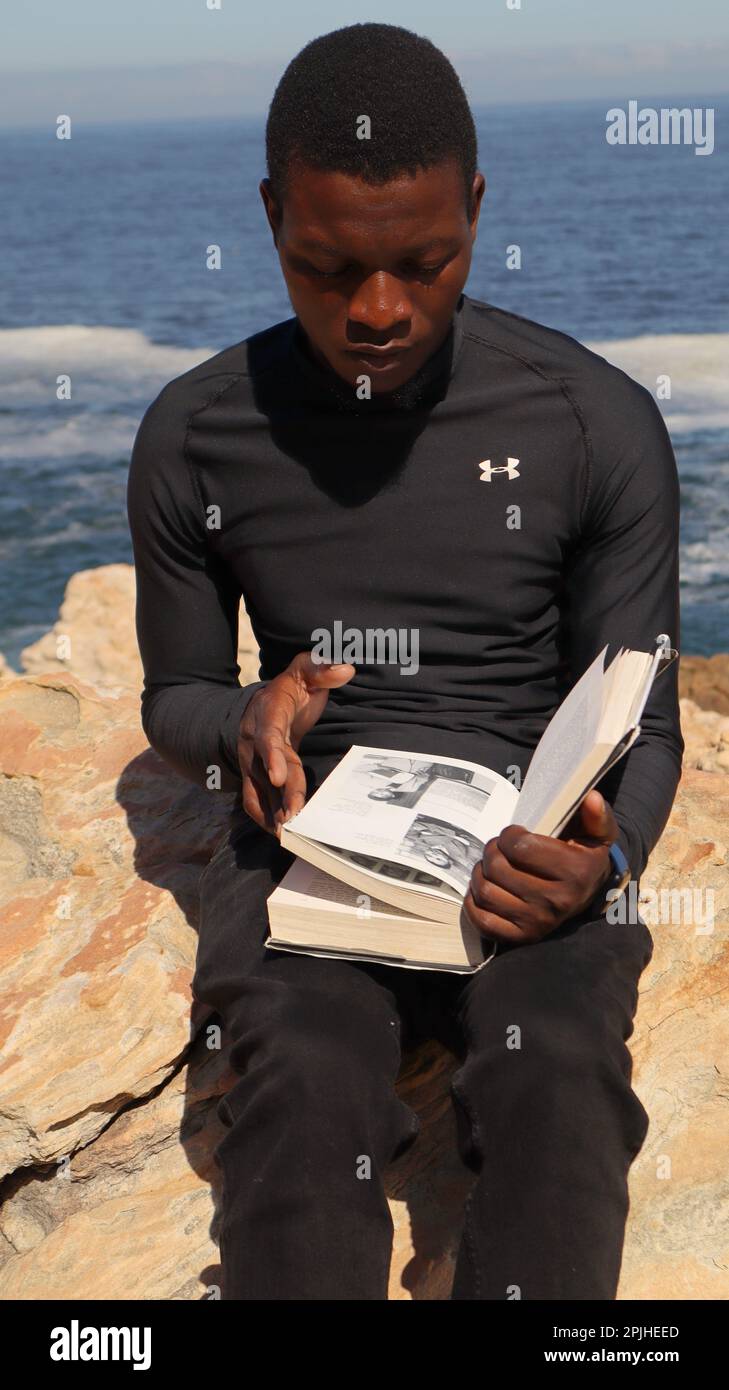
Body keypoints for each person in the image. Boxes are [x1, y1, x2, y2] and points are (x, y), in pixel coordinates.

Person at [126, 22, 683, 1300]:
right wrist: (245, 720)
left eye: (423, 265)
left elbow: (642, 724)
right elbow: (178, 694)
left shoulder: (592, 421)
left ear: (478, 209)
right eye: (328, 269)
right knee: (301, 1092)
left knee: (560, 1087)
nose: (378, 310)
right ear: (269, 215)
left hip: (524, 852)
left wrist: (608, 857)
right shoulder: (199, 436)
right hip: (313, 845)